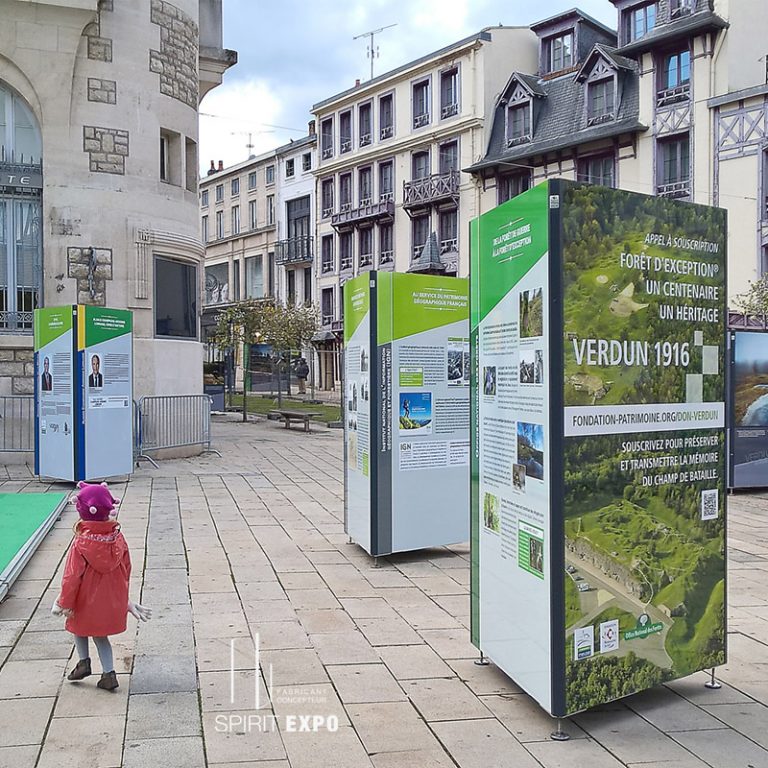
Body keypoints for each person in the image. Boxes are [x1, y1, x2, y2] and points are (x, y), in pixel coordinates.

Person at [52, 482, 151, 691]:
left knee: (78, 628)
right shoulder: (118, 539)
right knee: (100, 636)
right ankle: (108, 674)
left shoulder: (81, 543)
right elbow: (126, 570)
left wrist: (63, 602)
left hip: (84, 600)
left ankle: (83, 662)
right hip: (107, 600)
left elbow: (72, 577)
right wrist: (124, 601)